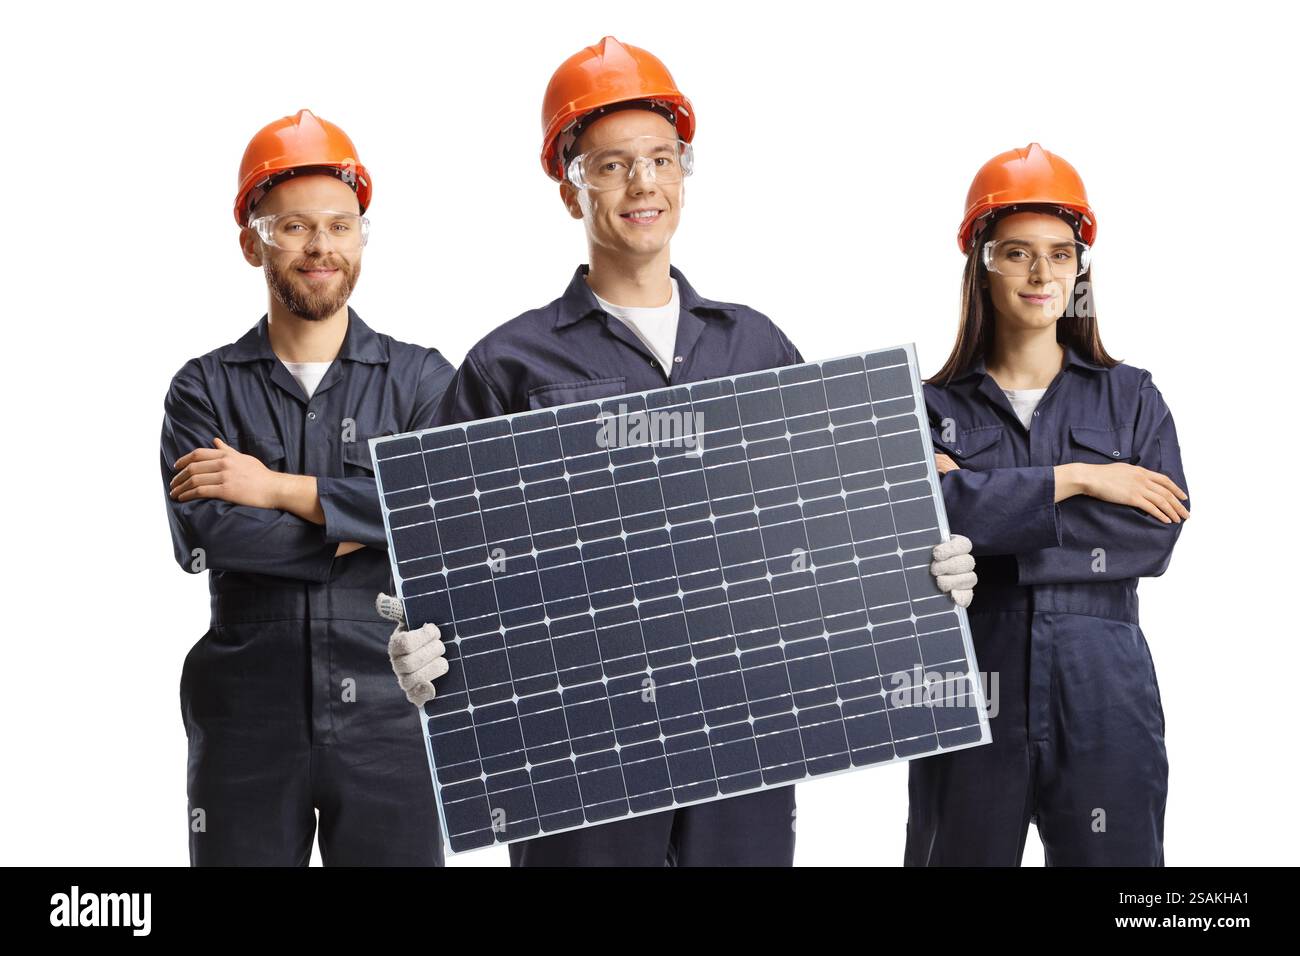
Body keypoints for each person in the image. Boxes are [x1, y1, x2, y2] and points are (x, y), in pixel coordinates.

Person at [385, 37, 976, 866]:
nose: (644, 183)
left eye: (662, 159)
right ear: (570, 188)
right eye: (613, 165)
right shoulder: (507, 364)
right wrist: (420, 651)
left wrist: (921, 567)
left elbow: (822, 519)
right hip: (579, 749)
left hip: (745, 729)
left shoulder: (758, 345)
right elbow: (442, 547)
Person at [161, 109, 454, 865]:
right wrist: (365, 522)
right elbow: (210, 535)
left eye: (341, 225)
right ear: (251, 240)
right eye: (292, 227)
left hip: (395, 713)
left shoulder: (423, 381)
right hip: (244, 722)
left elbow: (444, 514)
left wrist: (276, 489)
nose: (321, 246)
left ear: (361, 236)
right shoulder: (203, 389)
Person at [905, 143, 1189, 866]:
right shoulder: (926, 409)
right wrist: (1082, 479)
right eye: (1018, 254)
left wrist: (979, 511)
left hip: (1104, 691)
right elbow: (918, 523)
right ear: (982, 264)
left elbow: (1148, 540)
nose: (1042, 275)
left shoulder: (1132, 398)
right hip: (968, 685)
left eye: (1061, 255)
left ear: (1079, 269)